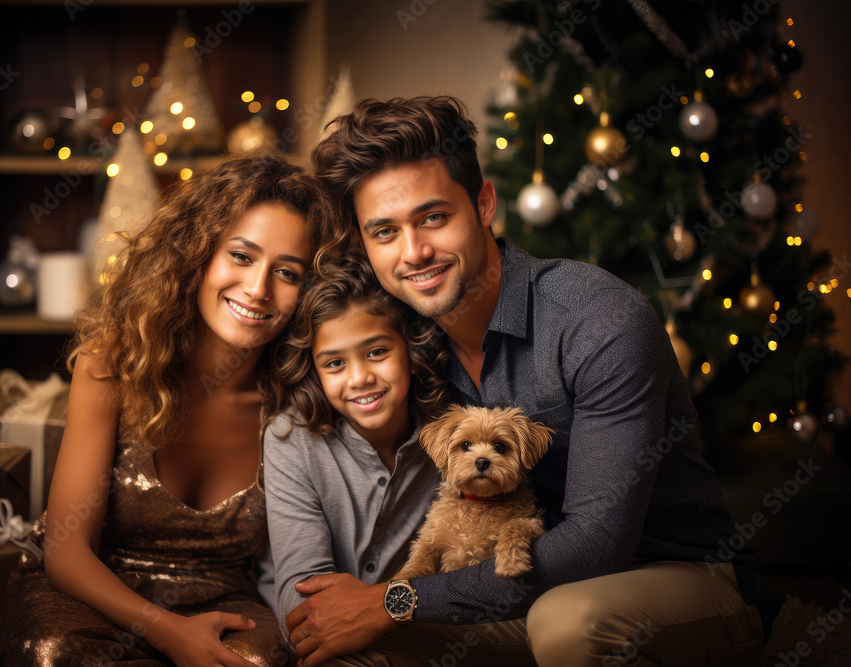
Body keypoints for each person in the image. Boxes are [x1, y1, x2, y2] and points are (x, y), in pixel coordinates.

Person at [280, 96, 784, 667]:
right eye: (384, 232)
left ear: (484, 203)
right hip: (510, 590)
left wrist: (394, 600)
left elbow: (597, 545)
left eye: (433, 217)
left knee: (567, 624)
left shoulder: (599, 318)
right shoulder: (404, 338)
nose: (414, 251)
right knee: (341, 651)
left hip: (673, 575)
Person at [0, 155, 336, 667]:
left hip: (223, 600)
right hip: (89, 588)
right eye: (241, 256)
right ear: (198, 254)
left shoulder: (300, 399)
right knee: (54, 654)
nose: (258, 289)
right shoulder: (112, 364)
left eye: (288, 272)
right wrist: (170, 633)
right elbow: (66, 552)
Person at [261, 252, 448, 622]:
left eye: (377, 352)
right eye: (335, 363)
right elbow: (302, 606)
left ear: (411, 352)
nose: (359, 377)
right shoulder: (290, 438)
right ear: (315, 372)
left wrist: (383, 608)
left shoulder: (450, 432)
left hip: (418, 631)